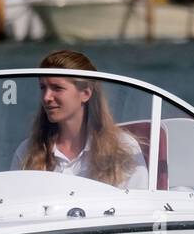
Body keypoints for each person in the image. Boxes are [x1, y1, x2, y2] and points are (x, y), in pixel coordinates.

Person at [11, 50, 148, 191]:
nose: (46, 97)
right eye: (43, 87)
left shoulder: (123, 148)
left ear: (85, 93)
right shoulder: (27, 152)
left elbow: (136, 204)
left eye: (57, 88)